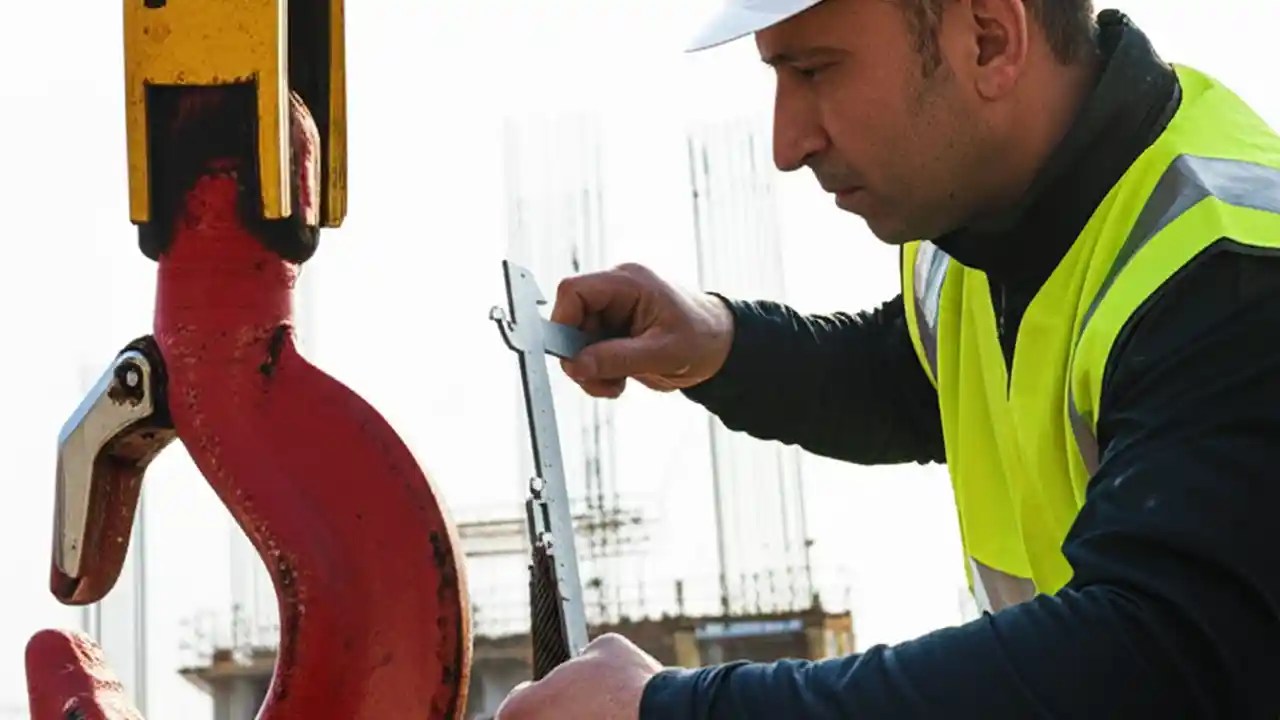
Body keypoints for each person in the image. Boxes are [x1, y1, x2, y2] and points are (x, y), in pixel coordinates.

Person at [496, 0, 1280, 717]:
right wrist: (721, 343)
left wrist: (675, 709)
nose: (786, 142)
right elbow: (909, 378)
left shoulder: (1230, 266)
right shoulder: (985, 234)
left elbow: (1152, 652)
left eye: (815, 71)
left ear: (989, 38)